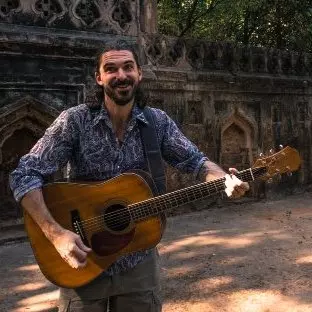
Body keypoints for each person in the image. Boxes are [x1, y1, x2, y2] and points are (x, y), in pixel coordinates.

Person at [9, 40, 249, 312]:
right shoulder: (74, 121)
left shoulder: (157, 123)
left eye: (128, 67)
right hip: (83, 260)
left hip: (138, 261)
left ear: (139, 74)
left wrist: (223, 179)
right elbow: (25, 173)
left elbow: (195, 161)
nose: (121, 75)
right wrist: (56, 235)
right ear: (99, 78)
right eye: (111, 69)